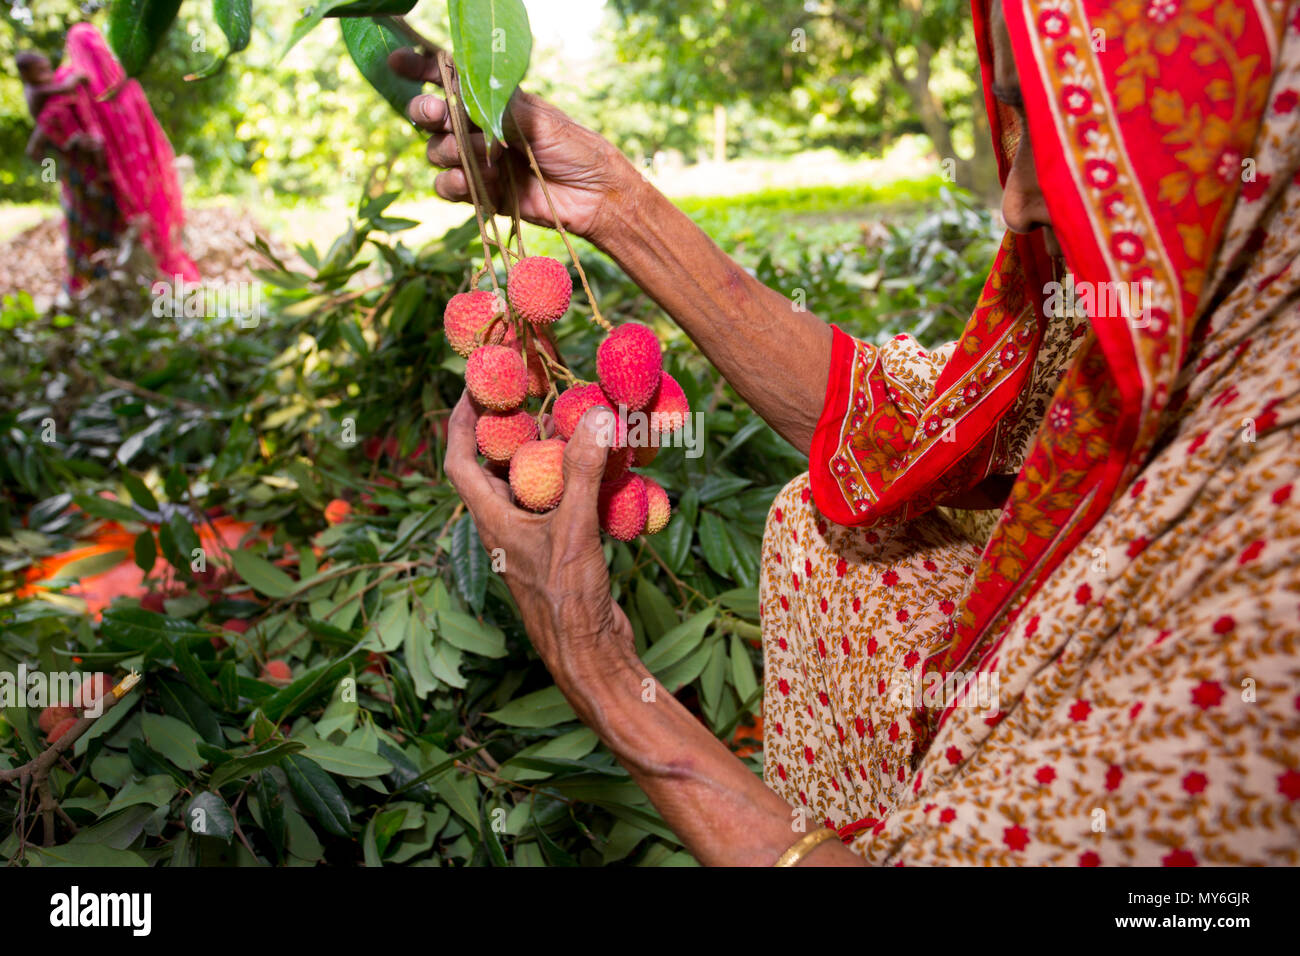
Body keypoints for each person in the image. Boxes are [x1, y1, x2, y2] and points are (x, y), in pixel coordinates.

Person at [392, 0, 1300, 865]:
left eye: (1073, 143)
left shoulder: (1271, 569)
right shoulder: (1183, 299)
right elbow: (911, 432)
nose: (1014, 200)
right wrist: (613, 202)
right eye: (1023, 119)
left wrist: (595, 664)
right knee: (843, 535)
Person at [19, 23, 197, 295]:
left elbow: (46, 132)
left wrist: (65, 149)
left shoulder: (71, 82)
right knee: (123, 239)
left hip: (89, 185)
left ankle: (92, 291)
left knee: (90, 242)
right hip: (132, 188)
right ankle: (134, 288)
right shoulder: (125, 83)